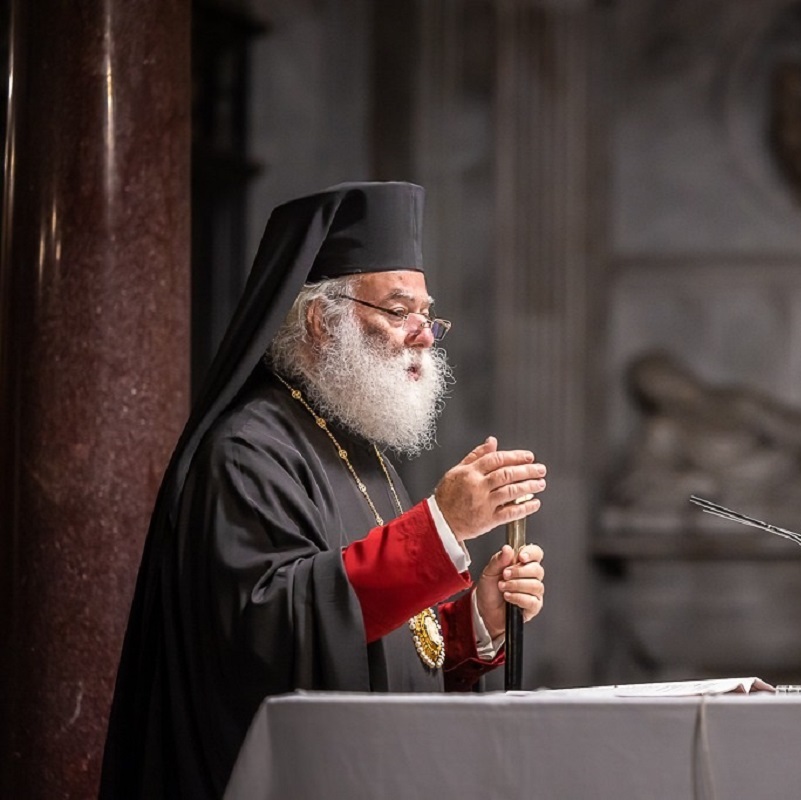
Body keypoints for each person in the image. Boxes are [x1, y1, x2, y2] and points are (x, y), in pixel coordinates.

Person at [100, 182, 548, 799]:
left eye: (427, 314)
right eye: (399, 312)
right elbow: (267, 636)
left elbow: (390, 640)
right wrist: (440, 528)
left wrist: (477, 617)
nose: (422, 335)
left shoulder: (359, 447)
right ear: (320, 320)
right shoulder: (248, 450)